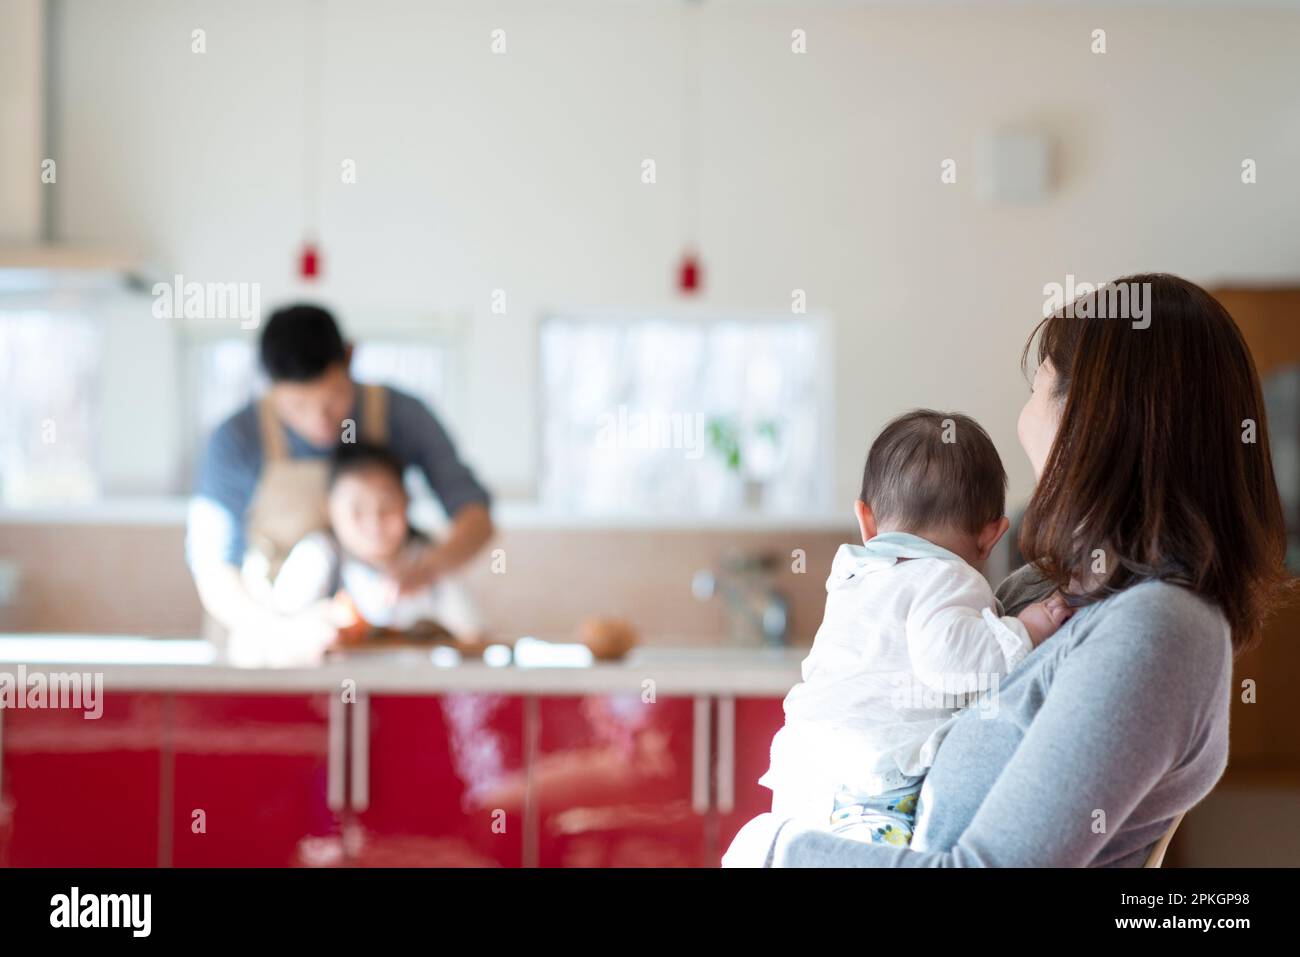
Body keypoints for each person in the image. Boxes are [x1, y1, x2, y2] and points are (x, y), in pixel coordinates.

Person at [724, 274, 1289, 867]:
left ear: (1089, 419)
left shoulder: (1158, 630)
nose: (1023, 421)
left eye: (1038, 385)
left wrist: (769, 850)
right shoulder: (1076, 600)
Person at [759, 410, 1073, 846]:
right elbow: (952, 663)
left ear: (865, 521)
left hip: (805, 770)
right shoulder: (947, 576)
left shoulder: (855, 578)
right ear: (991, 536)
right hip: (874, 782)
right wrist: (1026, 631)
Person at [186, 304, 493, 664]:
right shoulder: (237, 438)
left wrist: (429, 567)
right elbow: (214, 567)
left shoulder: (403, 415)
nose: (319, 421)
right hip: (265, 642)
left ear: (350, 357)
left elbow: (475, 515)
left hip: (380, 652)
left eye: (332, 400)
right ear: (270, 386)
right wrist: (280, 630)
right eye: (298, 406)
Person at [272, 440, 487, 645]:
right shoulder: (319, 555)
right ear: (329, 509)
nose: (374, 522)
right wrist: (323, 621)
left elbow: (471, 637)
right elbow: (277, 628)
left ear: (407, 502)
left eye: (387, 507)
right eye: (357, 510)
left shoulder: (429, 560)